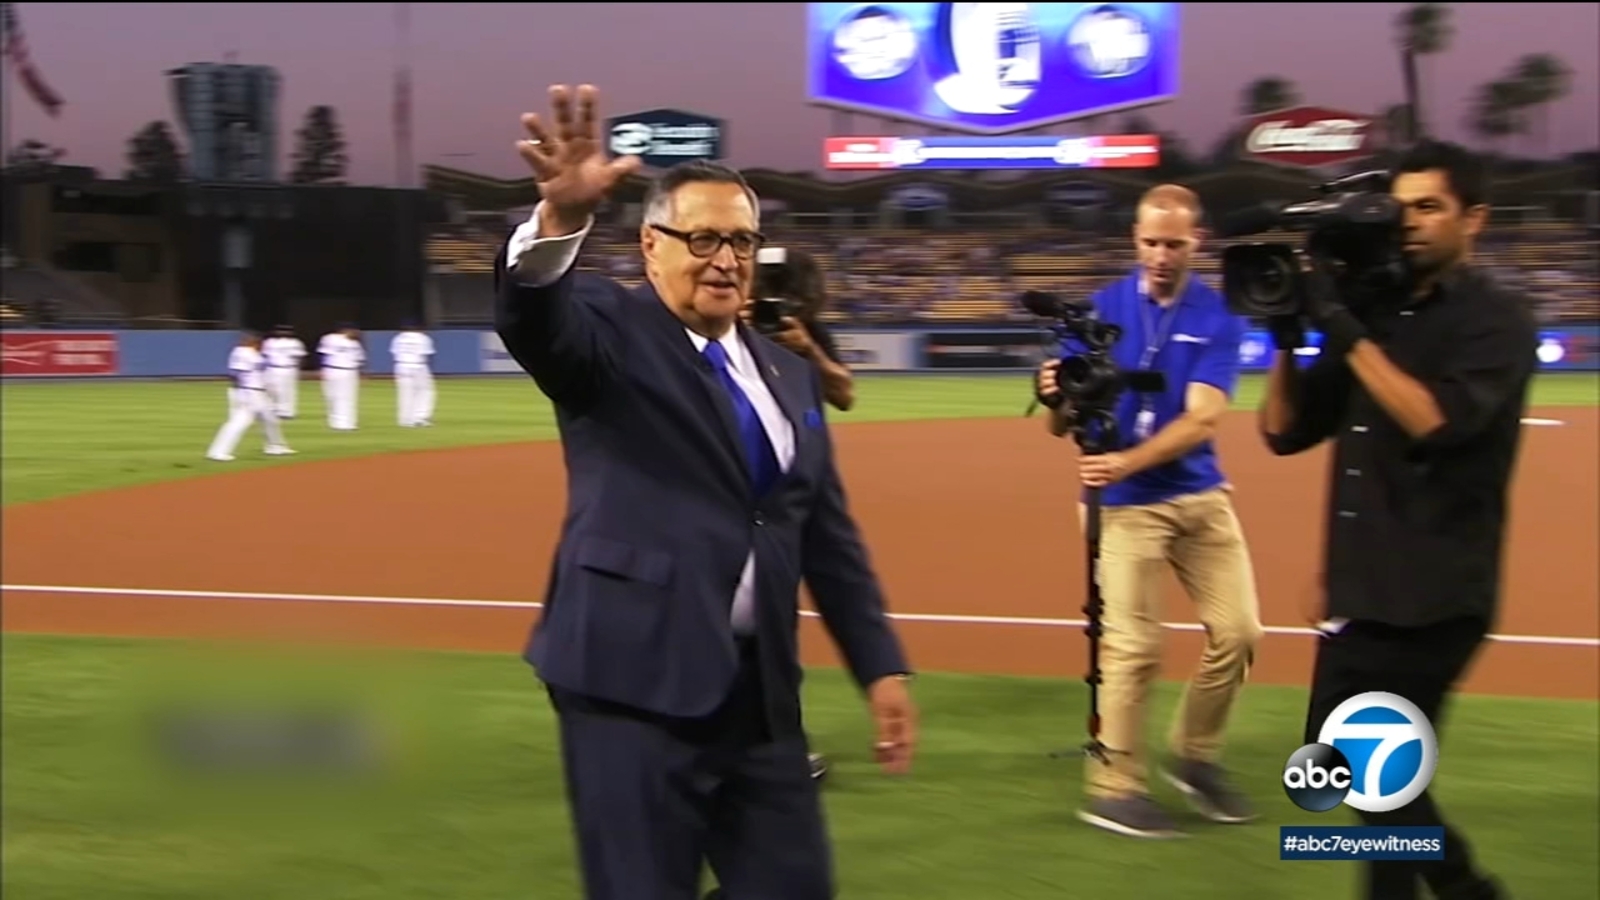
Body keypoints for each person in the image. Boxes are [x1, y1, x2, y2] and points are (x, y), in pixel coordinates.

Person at [494, 84, 918, 900]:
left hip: (758, 701)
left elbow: (824, 535)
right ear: (651, 246)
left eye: (742, 241)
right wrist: (558, 225)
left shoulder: (790, 374)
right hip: (631, 690)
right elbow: (533, 322)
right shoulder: (608, 334)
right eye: (703, 239)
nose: (726, 259)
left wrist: (879, 667)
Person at [1259, 139, 1534, 900]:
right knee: (1360, 780)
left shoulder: (1496, 322)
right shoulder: (1373, 312)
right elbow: (1284, 431)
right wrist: (1286, 335)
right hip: (1361, 593)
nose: (1408, 223)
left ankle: (1471, 891)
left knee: (1373, 779)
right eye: (1401, 206)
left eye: (1428, 207)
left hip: (1433, 594)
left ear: (1472, 219)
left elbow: (1438, 422)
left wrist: (1345, 330)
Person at [1034, 184, 1264, 839]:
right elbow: (1059, 426)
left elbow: (1203, 418)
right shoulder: (1100, 310)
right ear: (1136, 240)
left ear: (1197, 242)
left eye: (1175, 243)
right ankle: (1113, 788)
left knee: (1241, 632)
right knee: (1134, 646)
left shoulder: (1219, 315)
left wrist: (1125, 462)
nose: (1162, 254)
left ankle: (1195, 756)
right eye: (1151, 242)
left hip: (1196, 495)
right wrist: (1052, 393)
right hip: (1126, 509)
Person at [744, 246, 856, 785]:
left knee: (775, 624)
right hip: (737, 494)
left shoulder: (803, 330)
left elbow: (845, 393)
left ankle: (781, 741)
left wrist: (807, 349)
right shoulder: (723, 330)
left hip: (792, 497)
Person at [205, 330, 295, 461]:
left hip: (257, 392)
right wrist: (242, 392)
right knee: (240, 422)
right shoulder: (243, 352)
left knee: (270, 419)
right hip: (249, 392)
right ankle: (217, 452)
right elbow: (237, 374)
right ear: (252, 341)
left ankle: (275, 447)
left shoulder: (250, 353)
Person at [317, 323, 365, 430]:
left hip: (347, 371)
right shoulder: (330, 338)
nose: (356, 333)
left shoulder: (355, 343)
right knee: (332, 397)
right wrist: (322, 368)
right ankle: (337, 423)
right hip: (333, 369)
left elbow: (359, 360)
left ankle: (346, 423)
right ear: (346, 330)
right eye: (354, 331)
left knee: (345, 398)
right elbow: (323, 354)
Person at [389, 321, 437, 427]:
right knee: (425, 391)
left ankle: (405, 420)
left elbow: (394, 352)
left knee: (405, 393)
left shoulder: (398, 338)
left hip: (401, 366)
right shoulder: (422, 338)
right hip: (418, 366)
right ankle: (419, 417)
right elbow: (427, 354)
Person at [261, 324, 306, 419]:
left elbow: (300, 357)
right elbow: (264, 356)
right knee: (271, 390)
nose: (283, 333)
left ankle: (287, 412)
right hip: (271, 368)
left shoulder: (295, 343)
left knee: (288, 391)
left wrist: (298, 369)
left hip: (288, 368)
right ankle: (273, 409)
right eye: (281, 331)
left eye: (286, 331)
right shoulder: (269, 342)